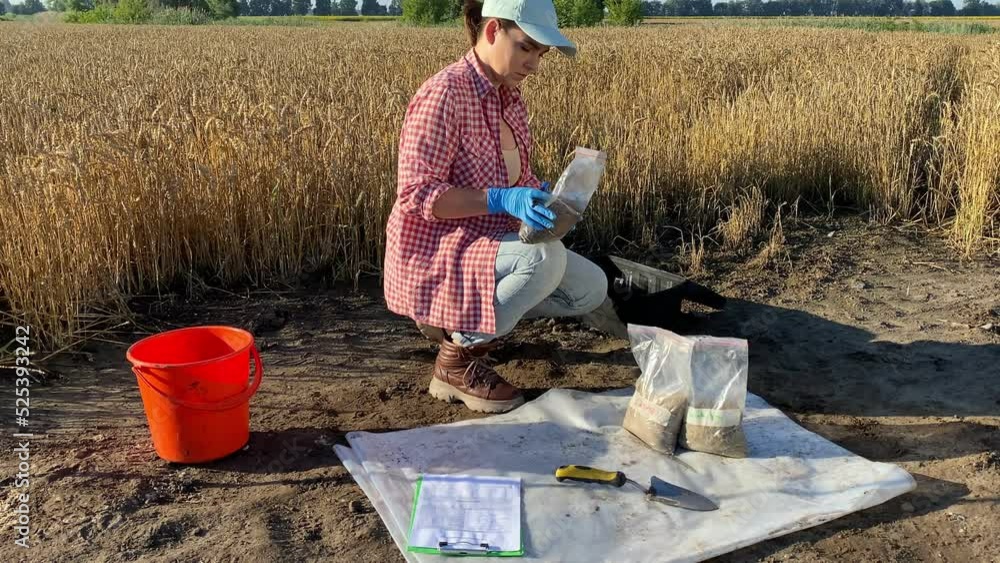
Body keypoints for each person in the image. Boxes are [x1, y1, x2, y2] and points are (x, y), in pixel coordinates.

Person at [384, 0, 608, 414]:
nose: (534, 64)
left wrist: (541, 197)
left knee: (590, 288)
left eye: (540, 54)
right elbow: (416, 193)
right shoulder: (445, 94)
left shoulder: (510, 99)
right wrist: (499, 198)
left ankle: (465, 320)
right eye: (526, 47)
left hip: (488, 241)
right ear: (492, 31)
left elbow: (516, 177)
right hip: (438, 249)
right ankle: (457, 358)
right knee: (544, 259)